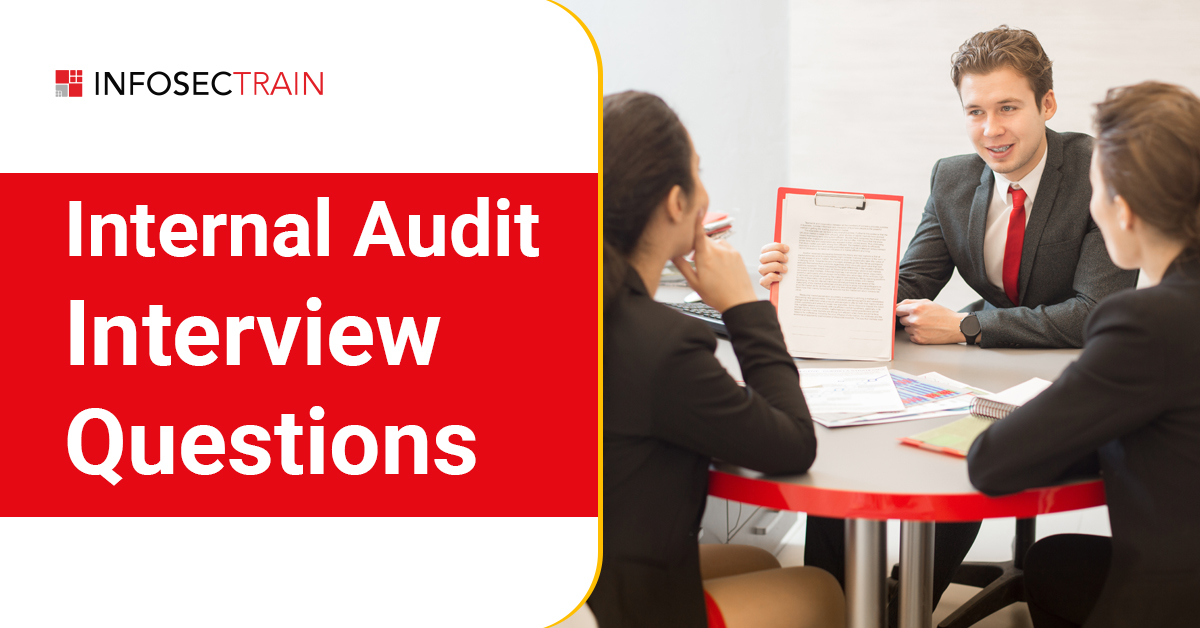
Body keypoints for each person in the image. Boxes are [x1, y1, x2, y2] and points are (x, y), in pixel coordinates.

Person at [759, 25, 1138, 621]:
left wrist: (968, 329)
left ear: (1047, 104)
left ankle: (907, 610)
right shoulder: (953, 178)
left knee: (960, 449)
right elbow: (912, 283)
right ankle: (835, 606)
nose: (991, 130)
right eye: (975, 112)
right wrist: (809, 280)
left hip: (1071, 381)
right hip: (989, 372)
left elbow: (1095, 313)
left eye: (1008, 108)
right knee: (843, 440)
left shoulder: (1097, 171)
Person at [591, 90, 844, 628]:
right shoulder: (663, 346)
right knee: (820, 590)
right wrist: (745, 308)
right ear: (676, 202)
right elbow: (792, 444)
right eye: (698, 173)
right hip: (611, 607)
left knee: (758, 561)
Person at [967, 81, 1200, 628]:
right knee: (1058, 562)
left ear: (1124, 210)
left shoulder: (1147, 325)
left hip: (1175, 602)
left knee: (1055, 566)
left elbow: (992, 463)